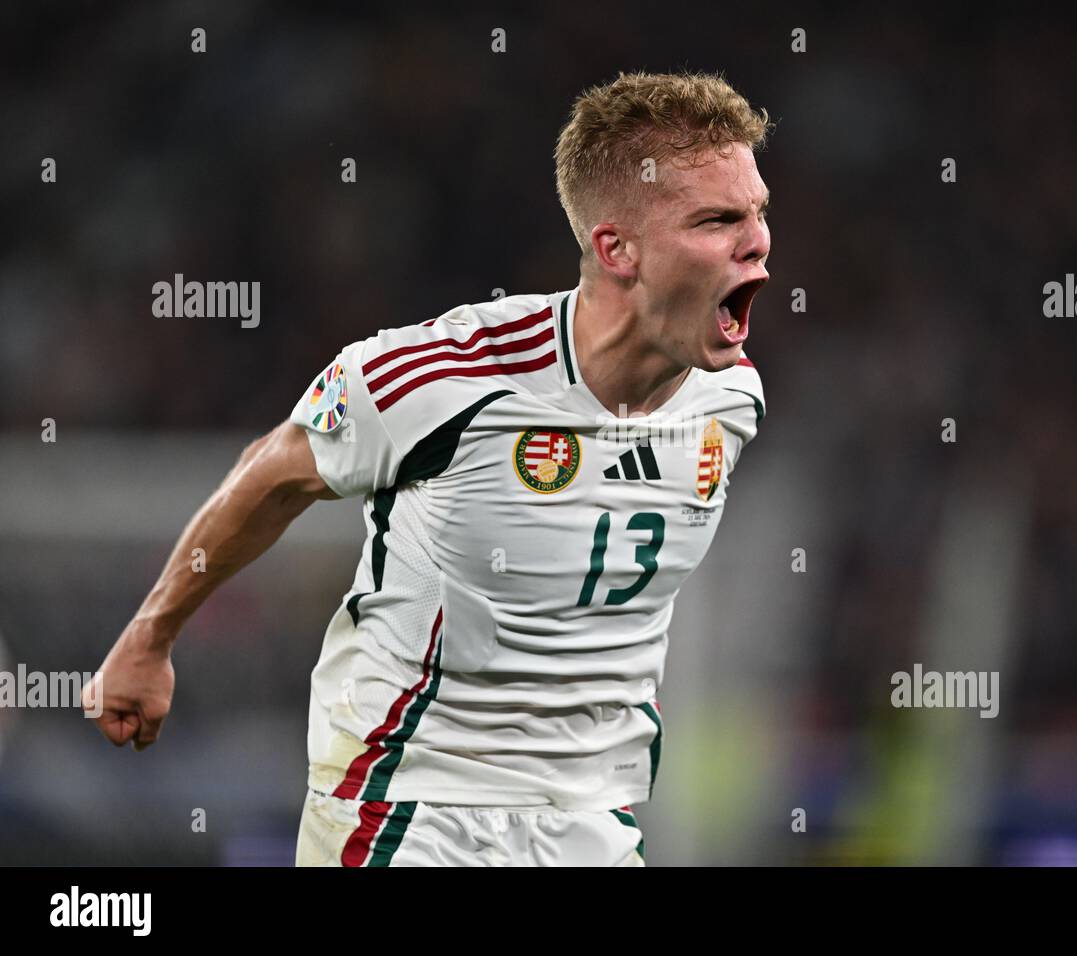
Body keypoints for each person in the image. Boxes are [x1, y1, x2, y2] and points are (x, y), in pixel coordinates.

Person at [85, 69, 773, 866]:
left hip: (591, 820)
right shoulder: (445, 377)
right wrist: (150, 638)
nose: (756, 240)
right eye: (718, 220)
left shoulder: (732, 399)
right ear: (617, 249)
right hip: (410, 805)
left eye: (759, 212)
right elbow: (273, 476)